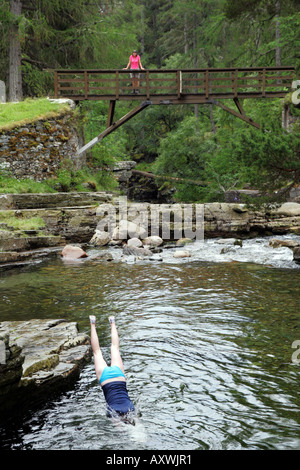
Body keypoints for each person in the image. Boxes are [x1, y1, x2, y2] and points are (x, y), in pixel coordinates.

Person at [89, 314, 135, 421]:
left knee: (108, 350)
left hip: (118, 377)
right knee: (103, 351)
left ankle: (110, 322)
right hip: (106, 379)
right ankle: (95, 323)